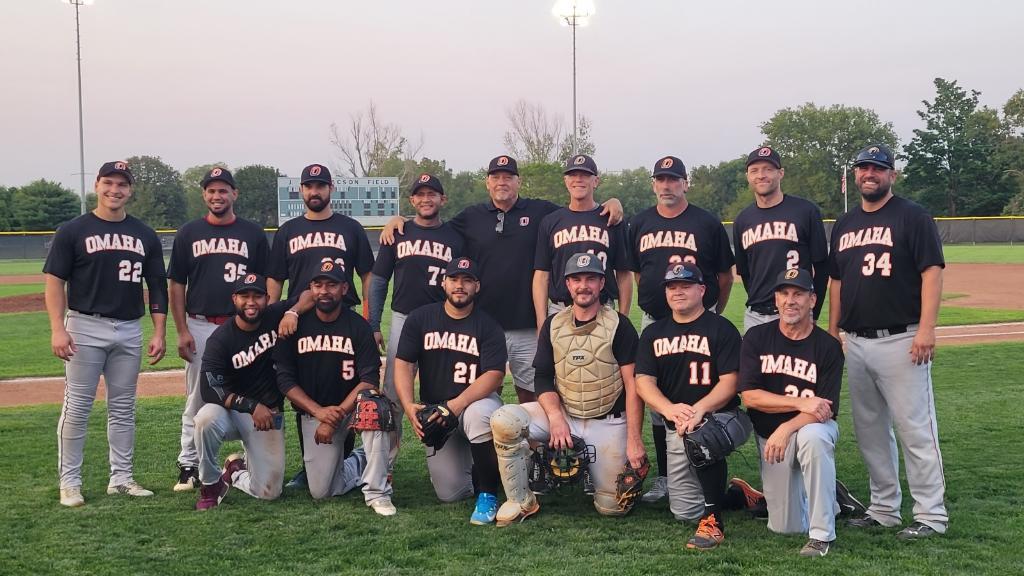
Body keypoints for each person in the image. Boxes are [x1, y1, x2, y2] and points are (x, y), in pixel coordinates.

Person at [382, 155, 623, 404]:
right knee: (483, 393)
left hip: (527, 324)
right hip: (484, 323)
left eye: (508, 177)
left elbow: (578, 211)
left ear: (518, 182)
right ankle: (485, 443)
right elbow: (434, 227)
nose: (502, 182)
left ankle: (534, 444)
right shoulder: (471, 217)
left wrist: (613, 202)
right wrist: (401, 222)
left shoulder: (541, 212)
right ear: (487, 182)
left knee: (533, 394)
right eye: (496, 177)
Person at [828, 144, 948, 539]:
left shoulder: (912, 216)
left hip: (903, 338)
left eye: (877, 169)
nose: (869, 174)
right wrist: (833, 330)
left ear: (891, 175)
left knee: (915, 429)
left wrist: (927, 329)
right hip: (858, 341)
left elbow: (931, 272)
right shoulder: (844, 224)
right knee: (871, 431)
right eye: (863, 167)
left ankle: (931, 515)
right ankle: (884, 508)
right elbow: (837, 281)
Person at [44, 160, 168, 507]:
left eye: (122, 184)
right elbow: (54, 281)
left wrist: (159, 331)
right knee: (78, 406)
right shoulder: (73, 230)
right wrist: (57, 328)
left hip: (129, 327)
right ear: (97, 185)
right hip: (84, 324)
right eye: (109, 183)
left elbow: (156, 285)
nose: (115, 190)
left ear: (130, 190)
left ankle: (122, 478)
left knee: (123, 408)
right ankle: (69, 482)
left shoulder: (144, 233)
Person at [492, 252, 644, 524]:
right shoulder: (554, 324)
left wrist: (634, 441)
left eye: (591, 279)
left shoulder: (620, 325)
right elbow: (543, 378)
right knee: (505, 421)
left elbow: (633, 385)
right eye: (576, 279)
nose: (583, 285)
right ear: (567, 285)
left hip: (607, 420)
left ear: (601, 284)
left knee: (613, 507)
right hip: (565, 415)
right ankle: (520, 500)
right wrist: (555, 418)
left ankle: (597, 471)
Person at [626, 155, 735, 503]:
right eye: (661, 179)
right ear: (653, 184)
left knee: (700, 391)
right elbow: (640, 274)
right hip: (657, 321)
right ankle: (665, 477)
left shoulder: (705, 222)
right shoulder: (639, 222)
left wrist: (712, 311)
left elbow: (724, 274)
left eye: (674, 179)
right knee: (662, 397)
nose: (667, 185)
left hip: (700, 321)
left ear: (686, 183)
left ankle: (708, 464)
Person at [635, 262, 757, 550]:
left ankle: (714, 520)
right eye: (672, 287)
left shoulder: (721, 328)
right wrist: (668, 409)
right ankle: (738, 496)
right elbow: (643, 381)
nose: (678, 292)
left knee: (701, 433)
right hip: (677, 423)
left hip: (724, 416)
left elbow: (731, 381)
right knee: (684, 512)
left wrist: (700, 408)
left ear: (702, 290)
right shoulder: (654, 333)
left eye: (686, 286)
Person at [267, 163, 375, 487]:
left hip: (344, 316)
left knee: (346, 381)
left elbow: (368, 274)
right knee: (307, 384)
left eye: (321, 186)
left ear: (331, 189)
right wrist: (275, 317)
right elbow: (275, 279)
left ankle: (345, 457)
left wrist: (370, 318)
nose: (315, 191)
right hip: (300, 319)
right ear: (301, 190)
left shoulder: (350, 227)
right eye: (309, 186)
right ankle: (310, 463)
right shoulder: (288, 231)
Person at [167, 167, 269, 492]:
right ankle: (188, 464)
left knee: (253, 389)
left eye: (223, 190)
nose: (217, 196)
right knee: (197, 396)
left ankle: (251, 459)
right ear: (204, 195)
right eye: (211, 190)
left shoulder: (252, 233)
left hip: (243, 327)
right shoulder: (189, 233)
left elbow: (267, 284)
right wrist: (181, 329)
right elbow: (176, 285)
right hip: (200, 324)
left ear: (234, 194)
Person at [273, 261, 394, 515]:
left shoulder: (358, 327)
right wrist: (320, 413)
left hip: (351, 408)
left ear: (344, 288)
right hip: (315, 412)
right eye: (318, 285)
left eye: (331, 284)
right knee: (322, 491)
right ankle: (361, 459)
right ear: (310, 289)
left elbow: (369, 380)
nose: (324, 291)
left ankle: (378, 492)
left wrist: (335, 414)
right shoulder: (295, 327)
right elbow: (285, 381)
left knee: (375, 408)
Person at [739, 269, 845, 557]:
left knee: (813, 437)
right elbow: (749, 396)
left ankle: (822, 536)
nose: (790, 301)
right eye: (784, 294)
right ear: (776, 299)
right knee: (786, 527)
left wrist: (787, 427)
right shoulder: (756, 337)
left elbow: (824, 409)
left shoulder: (828, 346)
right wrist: (799, 402)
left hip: (812, 427)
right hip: (771, 440)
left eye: (798, 294)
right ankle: (833, 497)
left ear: (812, 299)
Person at [393, 256, 507, 525]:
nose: (460, 285)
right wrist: (409, 405)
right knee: (450, 493)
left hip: (475, 403)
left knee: (478, 415)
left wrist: (456, 404)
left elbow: (494, 375)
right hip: (438, 413)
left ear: (476, 287)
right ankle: (489, 466)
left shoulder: (487, 324)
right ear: (444, 283)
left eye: (467, 280)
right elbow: (404, 364)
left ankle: (488, 493)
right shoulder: (421, 318)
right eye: (454, 279)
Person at [192, 274, 310, 509]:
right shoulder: (221, 339)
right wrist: (250, 406)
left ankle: (235, 472)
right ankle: (211, 483)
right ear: (234, 299)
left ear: (267, 299)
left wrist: (292, 312)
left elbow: (309, 295)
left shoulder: (275, 314)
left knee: (269, 492)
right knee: (205, 419)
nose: (251, 302)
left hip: (267, 414)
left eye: (257, 296)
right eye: (244, 296)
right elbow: (209, 388)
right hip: (232, 411)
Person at [733, 147, 828, 331]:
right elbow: (745, 273)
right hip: (757, 316)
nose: (761, 175)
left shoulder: (805, 211)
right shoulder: (743, 219)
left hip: (797, 313)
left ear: (781, 173)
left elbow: (822, 268)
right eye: (754, 170)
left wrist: (812, 314)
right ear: (748, 176)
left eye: (768, 169)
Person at [533, 154, 632, 330]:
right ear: (565, 181)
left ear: (596, 181)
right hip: (560, 309)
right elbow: (542, 275)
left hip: (602, 308)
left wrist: (623, 318)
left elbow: (624, 274)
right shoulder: (550, 222)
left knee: (605, 358)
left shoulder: (611, 219)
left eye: (585, 175)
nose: (578, 180)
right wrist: (541, 321)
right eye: (573, 175)